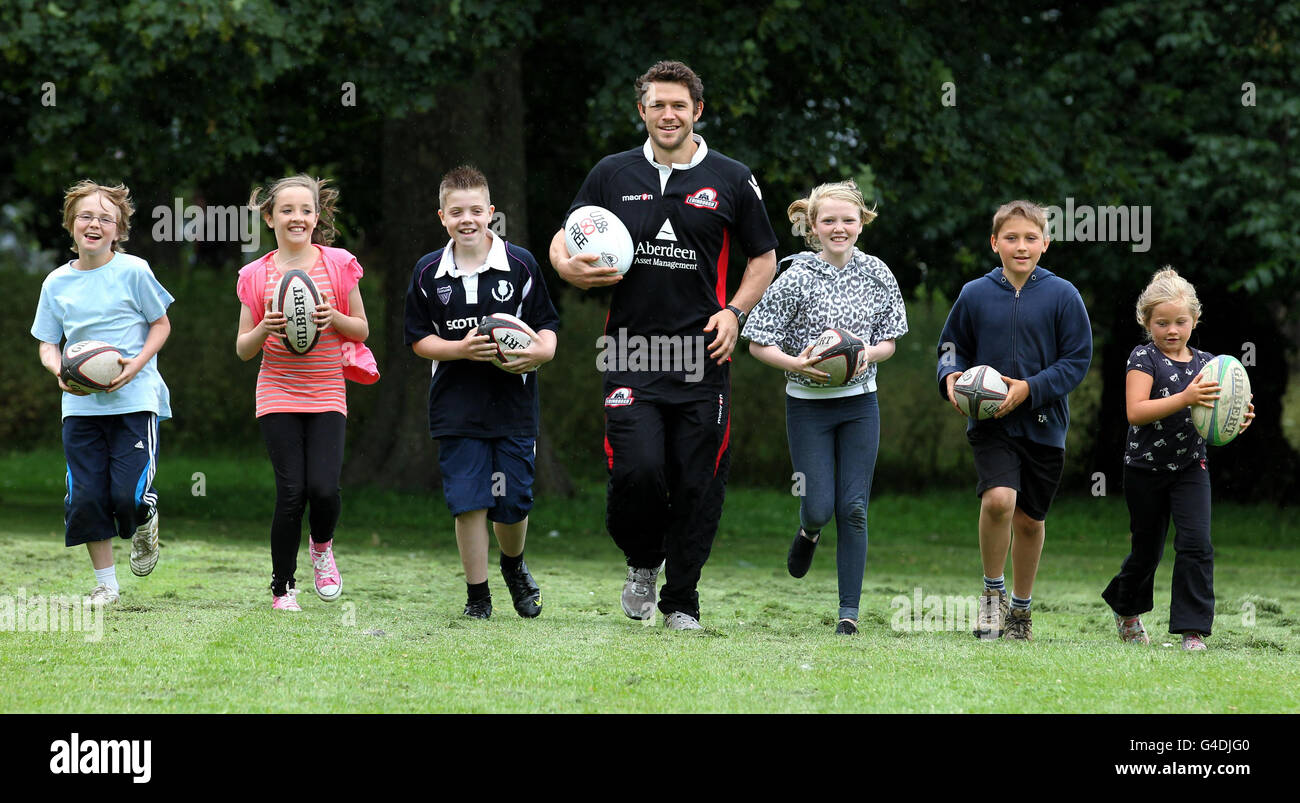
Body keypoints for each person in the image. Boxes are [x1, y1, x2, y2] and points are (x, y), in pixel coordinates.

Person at [549, 60, 778, 630]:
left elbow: (764, 257)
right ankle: (642, 561)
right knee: (639, 471)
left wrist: (735, 313)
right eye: (658, 105)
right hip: (629, 353)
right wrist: (569, 269)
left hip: (705, 355)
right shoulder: (611, 173)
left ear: (697, 111)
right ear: (642, 110)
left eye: (679, 105)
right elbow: (564, 237)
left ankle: (681, 601)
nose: (668, 114)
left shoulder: (731, 177)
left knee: (698, 480)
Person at [743, 180, 908, 635]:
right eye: (829, 220)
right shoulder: (795, 275)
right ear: (812, 226)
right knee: (818, 506)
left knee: (853, 508)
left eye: (848, 220)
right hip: (807, 407)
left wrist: (864, 354)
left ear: (862, 224)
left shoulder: (878, 273)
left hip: (860, 406)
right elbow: (757, 343)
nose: (839, 228)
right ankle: (809, 531)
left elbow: (890, 340)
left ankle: (848, 614)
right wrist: (795, 363)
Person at [405, 166, 560, 620]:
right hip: (456, 405)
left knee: (511, 504)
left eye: (476, 210)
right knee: (468, 500)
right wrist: (460, 349)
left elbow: (547, 326)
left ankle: (513, 564)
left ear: (491, 212)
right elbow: (418, 339)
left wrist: (542, 352)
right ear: (442, 216)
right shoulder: (428, 272)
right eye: (457, 212)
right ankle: (478, 595)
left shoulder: (521, 264)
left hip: (513, 405)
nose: (467, 219)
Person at [936, 200, 1092, 641]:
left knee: (1028, 520)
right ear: (994, 243)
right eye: (1011, 238)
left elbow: (1077, 359)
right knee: (999, 500)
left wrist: (1030, 387)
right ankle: (992, 595)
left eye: (1029, 238)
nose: (1020, 246)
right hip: (990, 425)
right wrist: (949, 377)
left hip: (1045, 423)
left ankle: (1020, 612)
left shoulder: (1064, 295)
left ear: (1045, 243)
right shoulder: (974, 294)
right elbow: (951, 348)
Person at [235, 175, 378, 611]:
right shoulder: (255, 274)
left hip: (327, 392)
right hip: (277, 392)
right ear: (269, 217)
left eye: (305, 210)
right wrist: (265, 327)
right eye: (286, 210)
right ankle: (283, 588)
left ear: (317, 216)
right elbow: (243, 349)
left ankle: (321, 548)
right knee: (291, 492)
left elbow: (362, 328)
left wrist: (332, 315)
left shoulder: (337, 263)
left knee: (325, 489)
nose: (296, 218)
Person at [31, 180, 173, 605]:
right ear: (71, 224)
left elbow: (160, 324)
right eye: (86, 216)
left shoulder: (134, 271)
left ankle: (146, 520)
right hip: (79, 407)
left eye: (105, 219)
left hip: (134, 401)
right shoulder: (55, 283)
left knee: (126, 495)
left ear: (119, 229)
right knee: (87, 497)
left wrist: (136, 366)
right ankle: (106, 586)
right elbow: (46, 341)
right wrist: (58, 368)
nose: (94, 224)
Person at [1102, 268, 1253, 651]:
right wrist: (1186, 398)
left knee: (1196, 543)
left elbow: (1217, 421)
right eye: (1162, 322)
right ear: (1146, 322)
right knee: (1147, 551)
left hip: (1190, 467)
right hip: (1144, 470)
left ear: (1195, 320)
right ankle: (1126, 607)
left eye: (1180, 322)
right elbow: (1136, 411)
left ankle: (1192, 630)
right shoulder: (1143, 357)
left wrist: (1237, 419)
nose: (1172, 330)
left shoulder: (1210, 364)